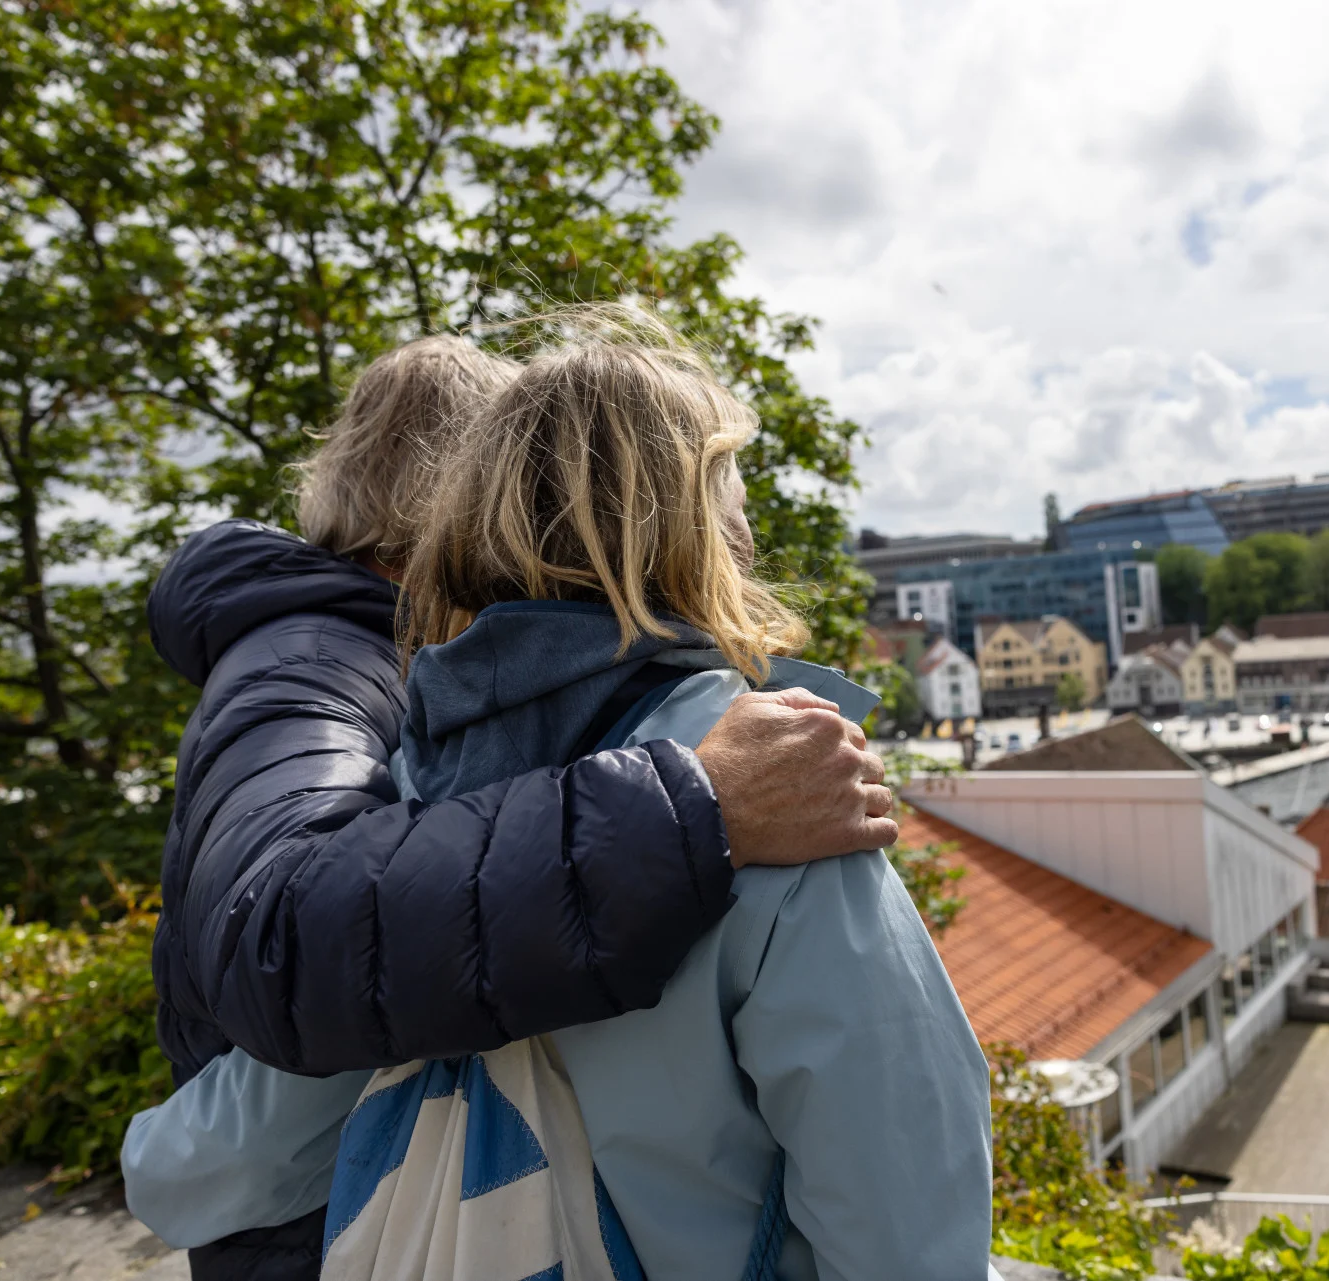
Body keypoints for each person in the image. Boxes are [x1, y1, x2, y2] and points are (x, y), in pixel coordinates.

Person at [140, 334, 899, 1281]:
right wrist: (694, 802)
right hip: (328, 1222)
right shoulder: (320, 663)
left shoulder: (422, 692)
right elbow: (286, 931)